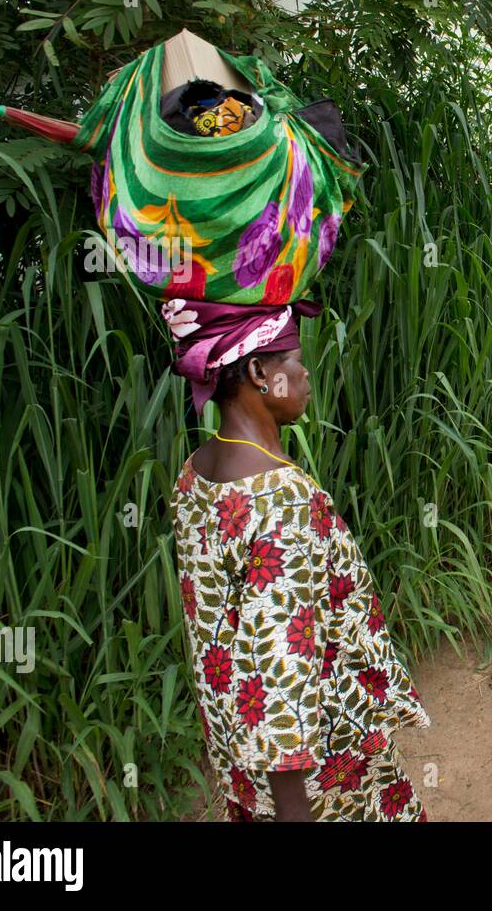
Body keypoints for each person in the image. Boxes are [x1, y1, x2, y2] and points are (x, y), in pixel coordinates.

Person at [165, 298, 429, 821]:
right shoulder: (280, 502)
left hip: (244, 771)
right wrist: (296, 811)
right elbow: (280, 669)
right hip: (325, 783)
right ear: (260, 372)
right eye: (294, 359)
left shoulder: (195, 473)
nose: (305, 373)